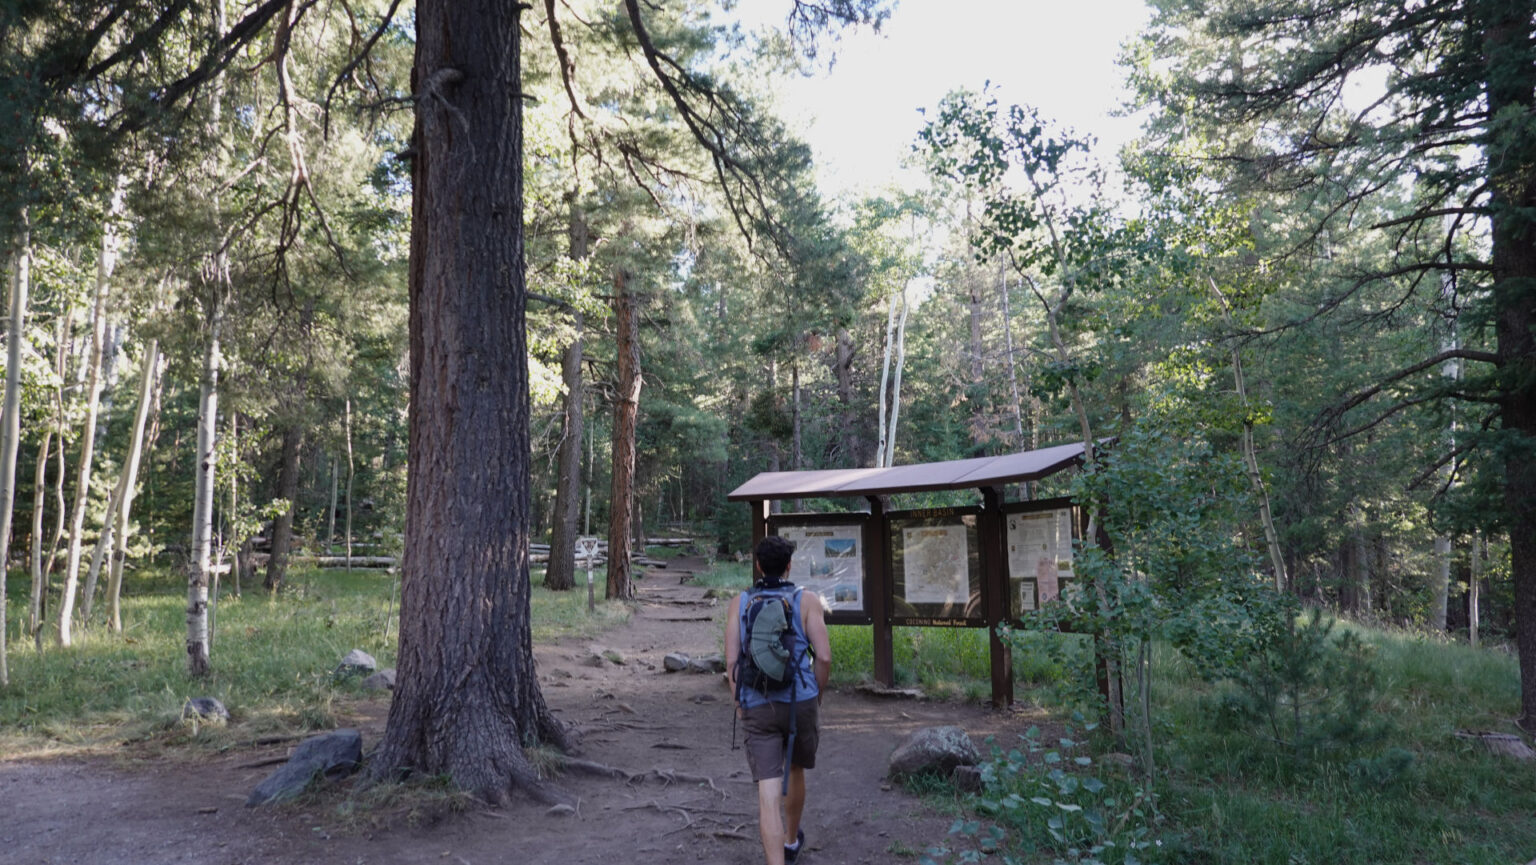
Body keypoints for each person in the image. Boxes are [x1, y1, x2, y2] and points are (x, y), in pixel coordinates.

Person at [726, 535, 832, 865]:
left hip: (757, 702)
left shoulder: (740, 603)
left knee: (767, 792)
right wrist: (817, 694)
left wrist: (739, 704)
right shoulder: (807, 600)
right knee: (796, 768)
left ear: (758, 565)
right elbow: (824, 657)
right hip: (800, 700)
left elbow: (731, 663)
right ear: (789, 566)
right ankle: (790, 841)